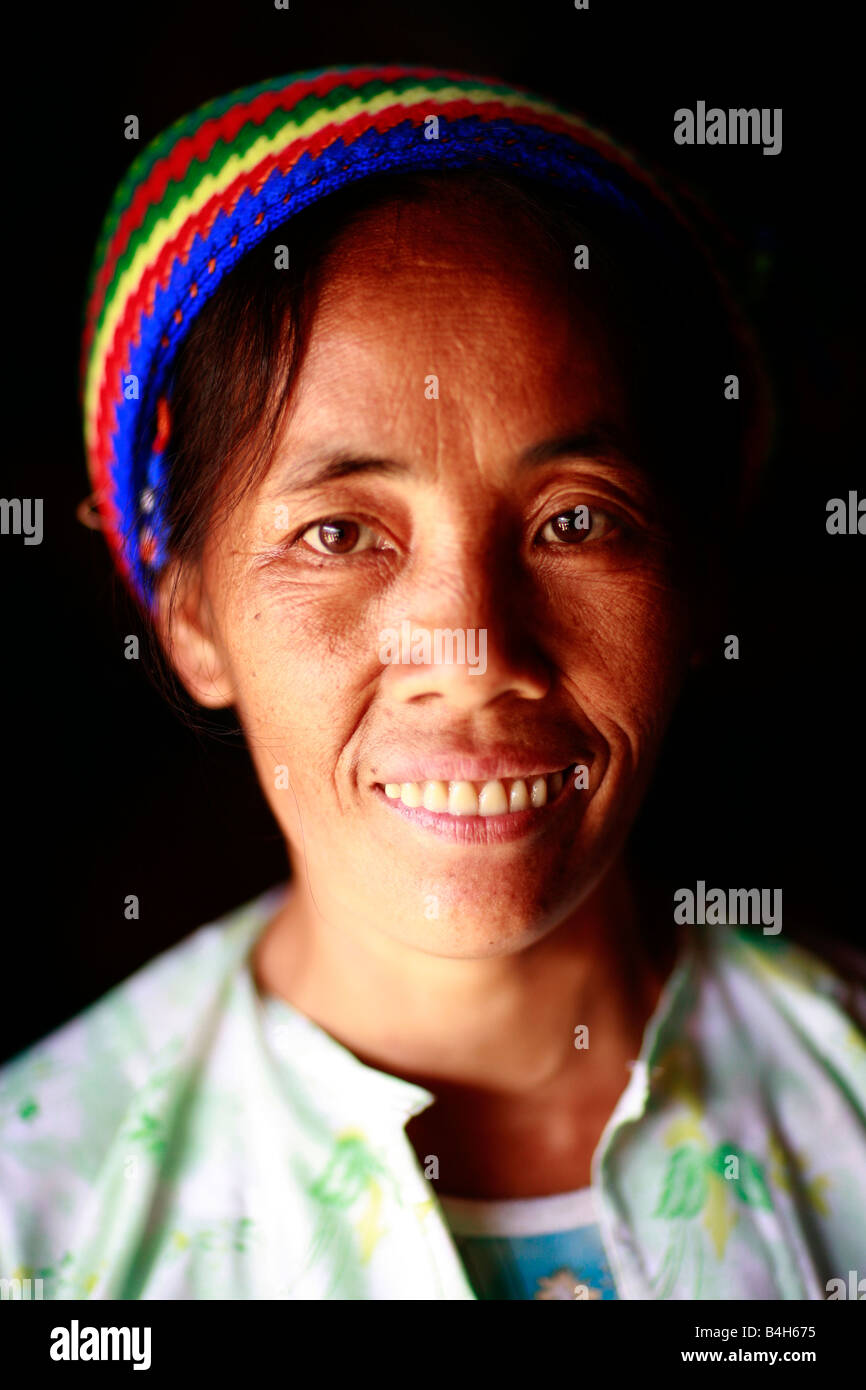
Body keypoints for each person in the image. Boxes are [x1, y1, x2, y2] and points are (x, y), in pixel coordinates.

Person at [1, 64, 863, 1302]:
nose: (470, 652)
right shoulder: (42, 1227)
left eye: (573, 522)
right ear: (188, 616)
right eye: (340, 533)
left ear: (693, 584)